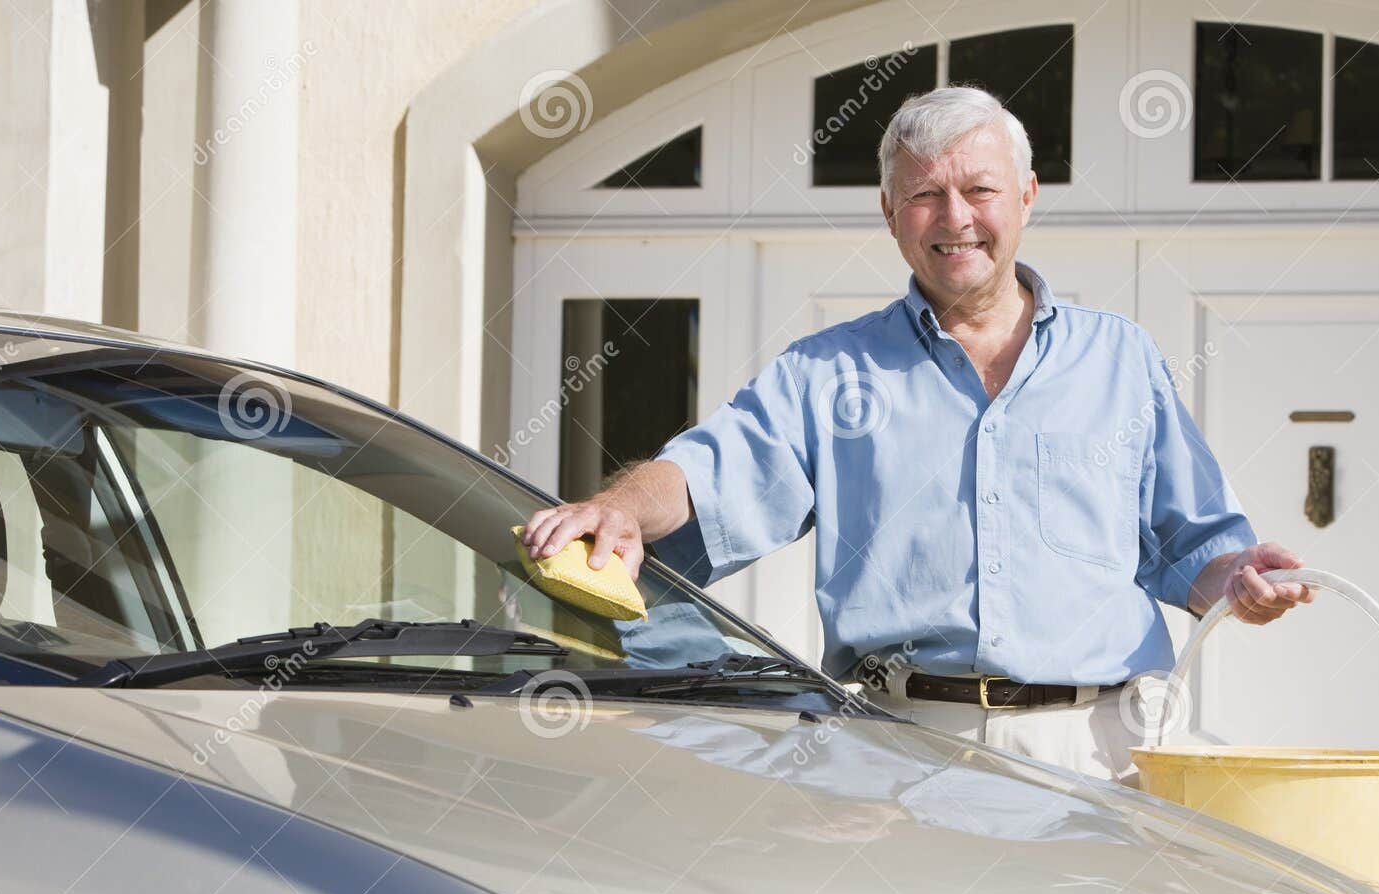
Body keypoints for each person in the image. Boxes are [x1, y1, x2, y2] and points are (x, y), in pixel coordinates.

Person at [522, 85, 1312, 781]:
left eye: (979, 188)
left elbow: (1192, 544)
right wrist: (621, 508)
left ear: (1028, 196)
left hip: (1105, 751)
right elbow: (706, 474)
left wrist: (1240, 575)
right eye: (926, 194)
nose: (956, 218)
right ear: (889, 212)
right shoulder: (830, 374)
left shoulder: (1120, 358)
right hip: (900, 754)